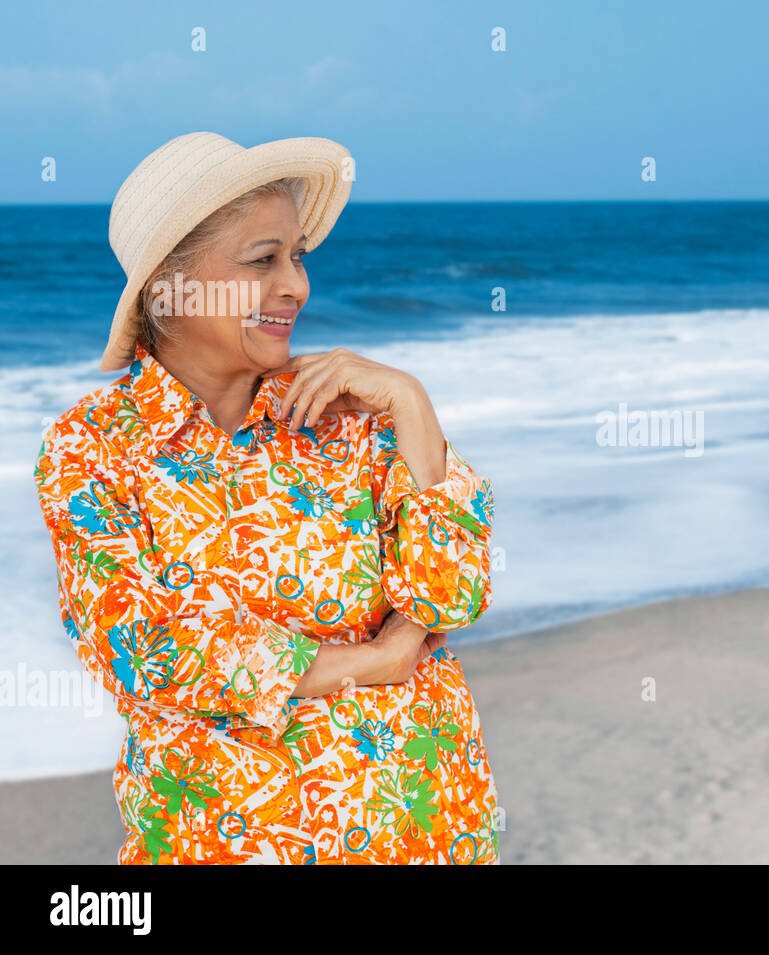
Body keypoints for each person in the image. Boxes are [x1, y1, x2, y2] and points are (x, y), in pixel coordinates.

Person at [32, 132, 500, 864]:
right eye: (263, 259)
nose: (297, 286)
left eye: (299, 257)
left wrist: (413, 404)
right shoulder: (93, 449)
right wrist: (373, 659)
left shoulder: (346, 414)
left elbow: (457, 588)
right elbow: (152, 650)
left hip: (432, 835)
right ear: (169, 288)